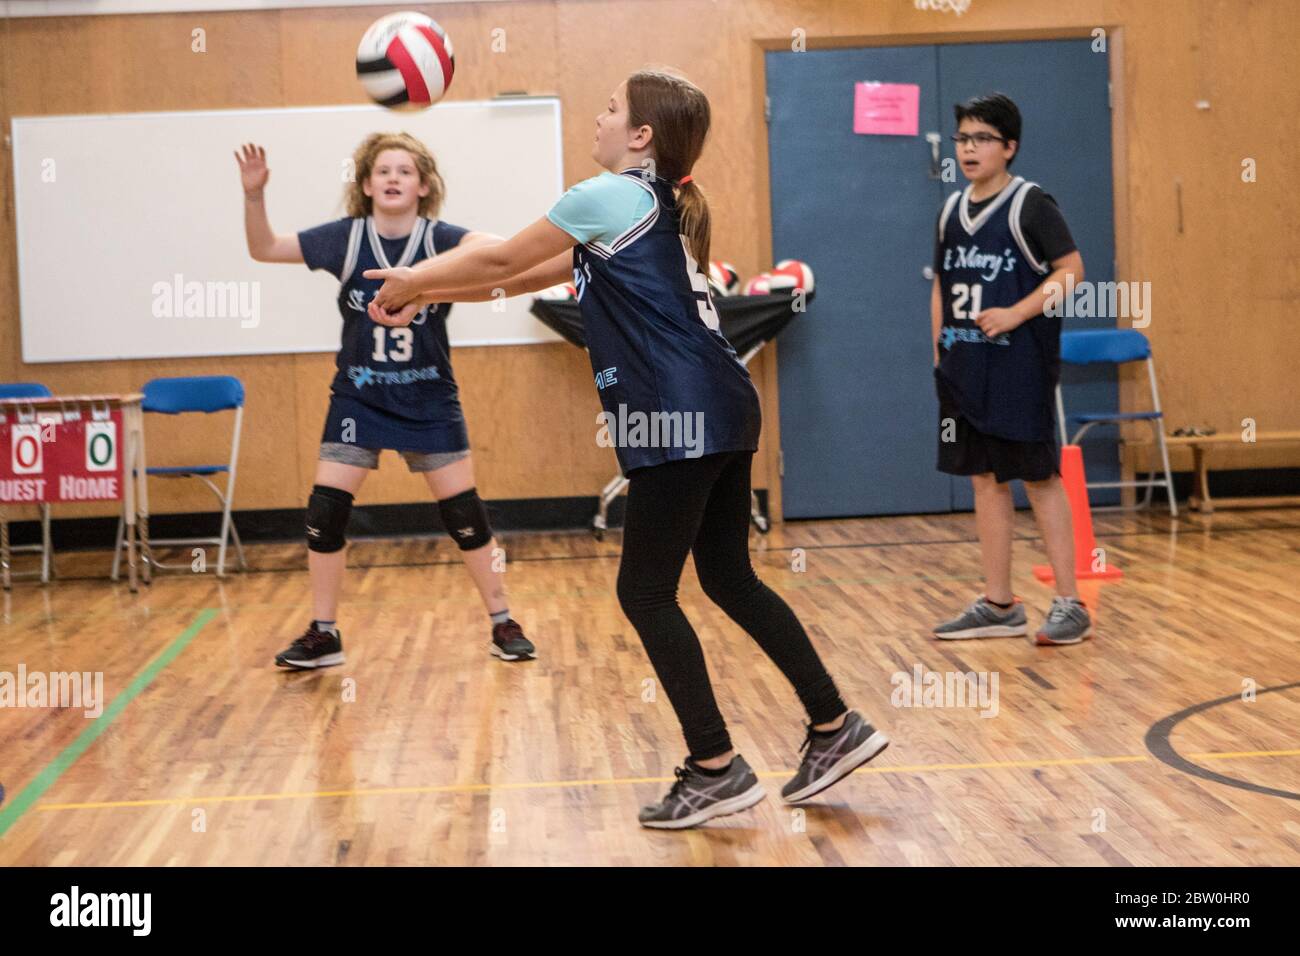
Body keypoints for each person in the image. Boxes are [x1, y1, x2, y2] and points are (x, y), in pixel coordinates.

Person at [364, 70, 889, 829]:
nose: (601, 116)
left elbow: (503, 260)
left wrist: (413, 277)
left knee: (645, 592)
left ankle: (715, 766)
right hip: (723, 406)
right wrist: (426, 291)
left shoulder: (606, 194)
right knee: (729, 578)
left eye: (611, 108)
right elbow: (517, 278)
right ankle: (835, 727)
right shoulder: (659, 206)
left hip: (679, 414)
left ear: (641, 136)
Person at [235, 132, 536, 668]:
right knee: (324, 514)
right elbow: (264, 249)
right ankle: (324, 633)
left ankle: (501, 621)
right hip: (359, 398)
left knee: (465, 516)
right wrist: (254, 196)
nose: (393, 178)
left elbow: (498, 251)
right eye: (383, 171)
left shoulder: (440, 240)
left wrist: (427, 276)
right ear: (367, 184)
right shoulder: (346, 239)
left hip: (427, 397)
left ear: (424, 185)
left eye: (404, 171)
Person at [930, 93, 1092, 646]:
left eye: (981, 139)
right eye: (963, 139)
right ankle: (1000, 604)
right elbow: (942, 284)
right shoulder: (952, 209)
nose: (969, 149)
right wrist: (939, 350)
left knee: (1039, 477)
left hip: (1018, 365)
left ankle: (1071, 603)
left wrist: (1017, 312)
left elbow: (1072, 271)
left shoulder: (1030, 204)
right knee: (983, 478)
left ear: (1009, 147)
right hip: (965, 366)